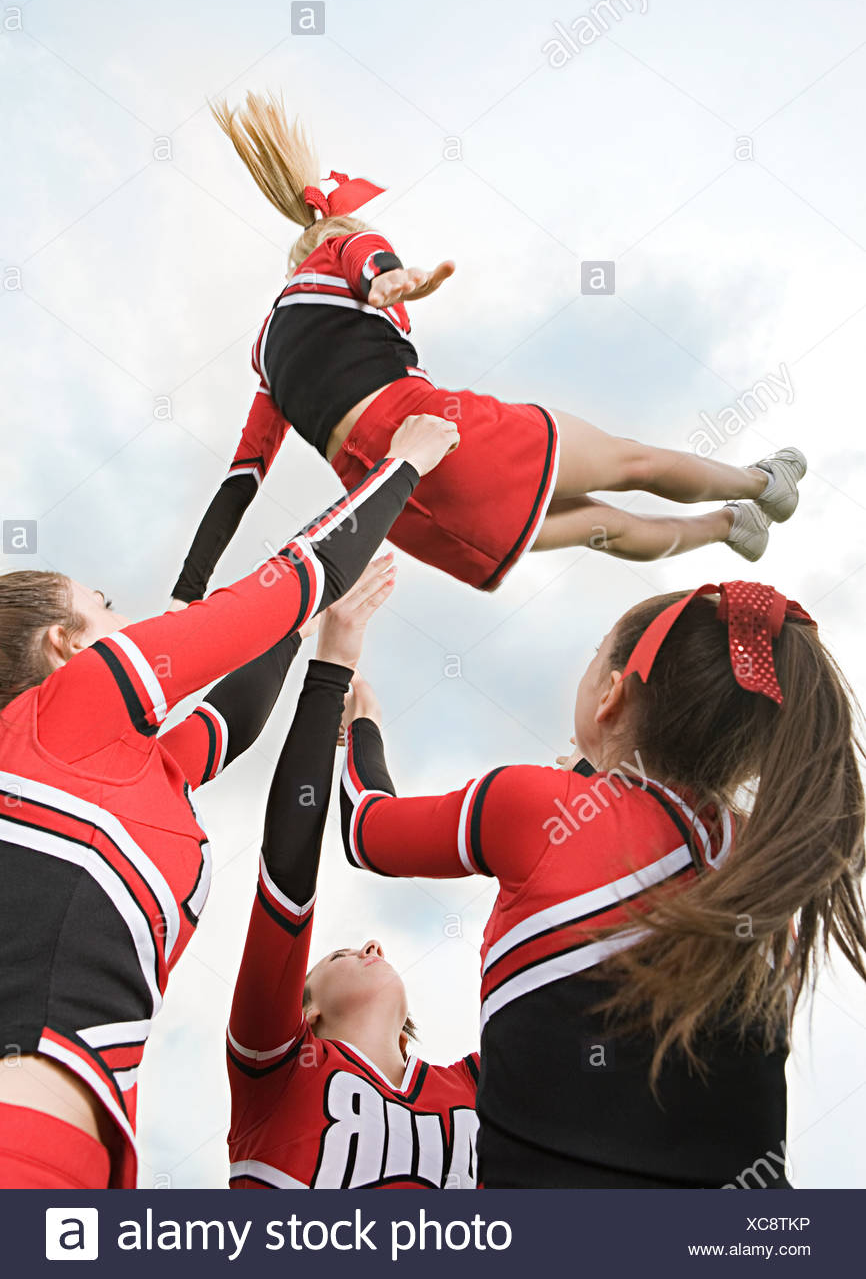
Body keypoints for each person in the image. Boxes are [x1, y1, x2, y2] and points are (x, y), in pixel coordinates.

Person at [0, 415, 457, 1189]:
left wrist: (328, 650)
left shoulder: (122, 770)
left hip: (82, 1163)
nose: (128, 618)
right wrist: (408, 460)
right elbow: (286, 581)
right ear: (66, 647)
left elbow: (231, 721)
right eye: (105, 603)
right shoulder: (64, 711)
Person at [168, 91, 806, 609]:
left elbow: (239, 481)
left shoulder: (264, 352)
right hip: (441, 437)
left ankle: (731, 528)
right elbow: (369, 262)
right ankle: (762, 484)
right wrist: (392, 276)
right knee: (631, 462)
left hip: (401, 506)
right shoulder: (339, 253)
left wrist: (187, 592)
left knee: (598, 527)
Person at [337, 579, 866, 1187]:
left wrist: (361, 720)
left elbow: (365, 829)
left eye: (596, 652)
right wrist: (597, 785)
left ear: (610, 695)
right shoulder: (765, 870)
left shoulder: (532, 805)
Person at [227, 559, 479, 1190]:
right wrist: (332, 668)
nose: (372, 944)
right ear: (303, 1013)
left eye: (350, 946)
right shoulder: (277, 1073)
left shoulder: (478, 1087)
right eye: (338, 952)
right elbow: (286, 871)